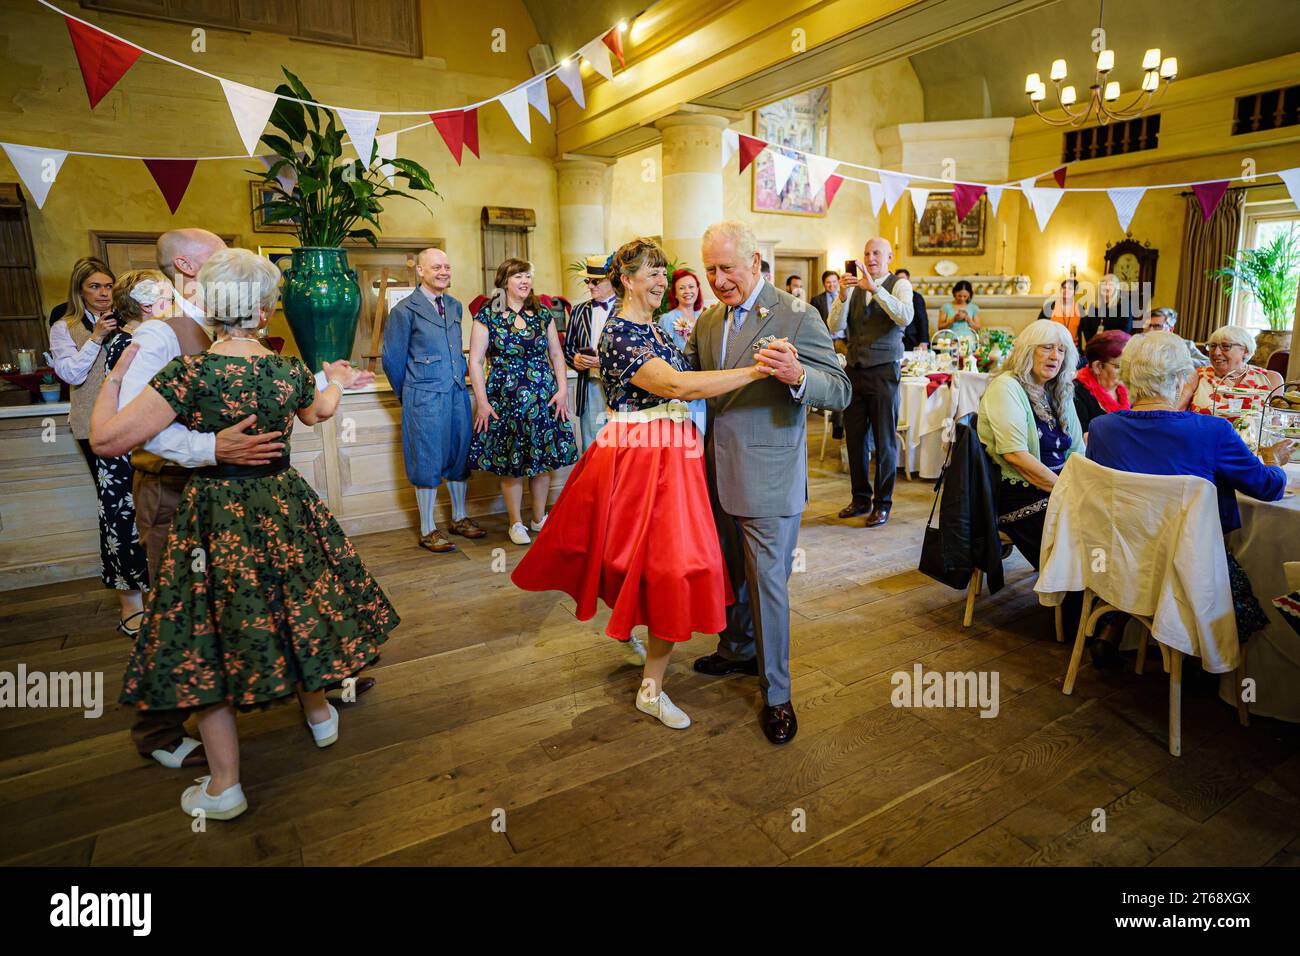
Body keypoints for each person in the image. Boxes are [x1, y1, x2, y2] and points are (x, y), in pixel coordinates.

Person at [90, 248, 399, 821]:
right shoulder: (284, 371)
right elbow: (319, 413)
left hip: (216, 510)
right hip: (283, 504)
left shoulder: (190, 373)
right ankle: (321, 717)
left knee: (208, 636)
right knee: (297, 607)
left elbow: (106, 438)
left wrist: (114, 373)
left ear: (208, 305)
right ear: (265, 310)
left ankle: (225, 784)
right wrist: (331, 378)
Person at [513, 238, 777, 730]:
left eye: (663, 272)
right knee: (668, 567)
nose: (661, 281)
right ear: (626, 280)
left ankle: (634, 645)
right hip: (644, 457)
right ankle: (651, 690)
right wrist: (756, 371)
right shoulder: (621, 335)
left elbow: (686, 375)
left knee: (648, 561)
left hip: (670, 455)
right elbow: (677, 386)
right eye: (651, 273)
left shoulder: (653, 329)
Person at [687, 221, 852, 745]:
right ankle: (736, 649)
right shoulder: (709, 320)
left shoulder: (798, 315)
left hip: (770, 473)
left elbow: (841, 390)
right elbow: (693, 377)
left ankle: (777, 694)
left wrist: (799, 377)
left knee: (768, 587)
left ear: (755, 262)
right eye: (709, 268)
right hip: (714, 468)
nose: (717, 279)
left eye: (727, 268)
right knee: (731, 570)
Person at [1085, 332, 1294, 665]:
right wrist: (1272, 461)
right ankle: (1205, 657)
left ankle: (1114, 622)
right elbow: (1267, 488)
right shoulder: (1212, 432)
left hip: (1121, 556)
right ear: (1183, 378)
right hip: (1192, 565)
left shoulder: (1102, 428)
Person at [470, 258, 578, 545]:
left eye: (528, 276)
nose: (524, 281)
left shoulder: (541, 314)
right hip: (504, 399)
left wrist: (563, 389)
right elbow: (476, 360)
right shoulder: (487, 315)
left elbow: (556, 355)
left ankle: (538, 517)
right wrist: (482, 402)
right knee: (512, 463)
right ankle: (516, 523)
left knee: (542, 462)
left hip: (543, 396)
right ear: (504, 280)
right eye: (518, 276)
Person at [382, 248, 483, 554]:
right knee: (425, 459)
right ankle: (428, 529)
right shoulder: (404, 310)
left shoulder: (454, 306)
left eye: (447, 267)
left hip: (456, 393)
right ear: (421, 272)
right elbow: (393, 361)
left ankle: (459, 517)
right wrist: (411, 394)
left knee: (458, 454)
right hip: (423, 396)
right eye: (436, 267)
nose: (443, 272)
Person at [90, 271, 169, 639]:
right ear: (145, 303)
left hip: (141, 441)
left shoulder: (141, 337)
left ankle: (152, 602)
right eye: (165, 296)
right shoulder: (131, 342)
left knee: (144, 520)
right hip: (126, 444)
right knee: (125, 521)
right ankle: (131, 607)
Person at [976, 319, 1085, 571]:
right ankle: (1075, 602)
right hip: (1020, 494)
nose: (1055, 356)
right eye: (1046, 347)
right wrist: (1065, 491)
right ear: (1027, 350)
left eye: (1061, 350)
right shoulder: (1006, 387)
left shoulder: (1058, 390)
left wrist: (1084, 486)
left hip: (1058, 487)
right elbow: (1015, 456)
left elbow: (1078, 451)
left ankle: (1103, 600)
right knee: (1081, 537)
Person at [828, 237, 914, 528]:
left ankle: (882, 503)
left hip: (884, 371)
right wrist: (842, 295)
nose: (871, 257)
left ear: (889, 256)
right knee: (854, 438)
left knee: (885, 440)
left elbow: (904, 317)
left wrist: (875, 290)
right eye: (867, 253)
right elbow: (834, 327)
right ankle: (860, 498)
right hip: (854, 369)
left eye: (877, 252)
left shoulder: (899, 285)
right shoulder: (852, 289)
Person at [49, 258, 118, 476]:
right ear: (80, 291)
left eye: (108, 286)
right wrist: (96, 338)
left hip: (131, 417)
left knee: (140, 491)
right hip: (91, 420)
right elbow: (72, 375)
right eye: (95, 287)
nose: (104, 293)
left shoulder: (130, 321)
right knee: (108, 491)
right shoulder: (63, 327)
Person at [563, 254, 617, 454]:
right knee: (592, 444)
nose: (590, 286)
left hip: (619, 388)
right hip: (590, 387)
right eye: (588, 281)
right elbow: (567, 348)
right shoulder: (578, 311)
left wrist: (602, 362)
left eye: (596, 281)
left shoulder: (626, 310)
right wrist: (575, 359)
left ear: (611, 280)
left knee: (618, 443)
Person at [1186, 324, 1284, 416]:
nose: (1216, 352)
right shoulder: (1197, 376)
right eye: (1213, 346)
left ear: (1245, 351)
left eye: (1225, 346)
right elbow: (1176, 413)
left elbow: (1276, 422)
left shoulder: (1270, 379)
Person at [658, 267, 708, 433]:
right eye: (682, 288)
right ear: (675, 293)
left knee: (704, 434)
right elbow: (663, 355)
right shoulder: (668, 319)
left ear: (698, 289)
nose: (688, 291)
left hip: (705, 384)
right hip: (682, 388)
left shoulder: (706, 316)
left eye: (691, 287)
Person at [1073, 329, 1131, 435]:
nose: (1128, 371)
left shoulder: (1129, 389)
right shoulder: (1076, 393)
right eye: (1119, 366)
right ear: (1098, 366)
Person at [1144, 307, 1209, 367]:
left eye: (1157, 326)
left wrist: (1178, 361)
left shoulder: (1185, 345)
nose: (1150, 330)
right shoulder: (1138, 344)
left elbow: (1207, 363)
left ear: (1170, 329)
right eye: (1148, 326)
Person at [1081, 273, 1135, 343]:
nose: (1106, 287)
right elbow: (1086, 327)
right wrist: (1093, 343)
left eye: (1110, 284)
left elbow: (1126, 329)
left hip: (1115, 346)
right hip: (1094, 346)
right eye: (1104, 284)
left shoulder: (1124, 305)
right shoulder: (1093, 306)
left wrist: (1107, 343)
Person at [1038, 278, 1082, 346]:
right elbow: (1039, 326)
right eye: (1064, 287)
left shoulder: (1080, 309)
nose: (1066, 290)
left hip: (1073, 348)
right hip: (1052, 346)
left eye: (1070, 288)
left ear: (1075, 291)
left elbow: (1084, 333)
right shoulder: (1050, 307)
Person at [894, 267, 930, 351]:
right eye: (898, 279)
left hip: (913, 339)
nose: (901, 282)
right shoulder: (892, 296)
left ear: (908, 280)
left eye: (903, 279)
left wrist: (923, 341)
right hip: (895, 340)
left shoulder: (916, 297)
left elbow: (923, 320)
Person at [937, 279, 980, 346]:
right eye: (959, 296)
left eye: (965, 296)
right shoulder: (946, 307)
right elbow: (940, 328)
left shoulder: (973, 307)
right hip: (950, 342)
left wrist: (968, 319)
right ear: (954, 293)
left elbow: (978, 328)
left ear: (969, 295)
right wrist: (953, 320)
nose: (962, 298)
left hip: (969, 342)